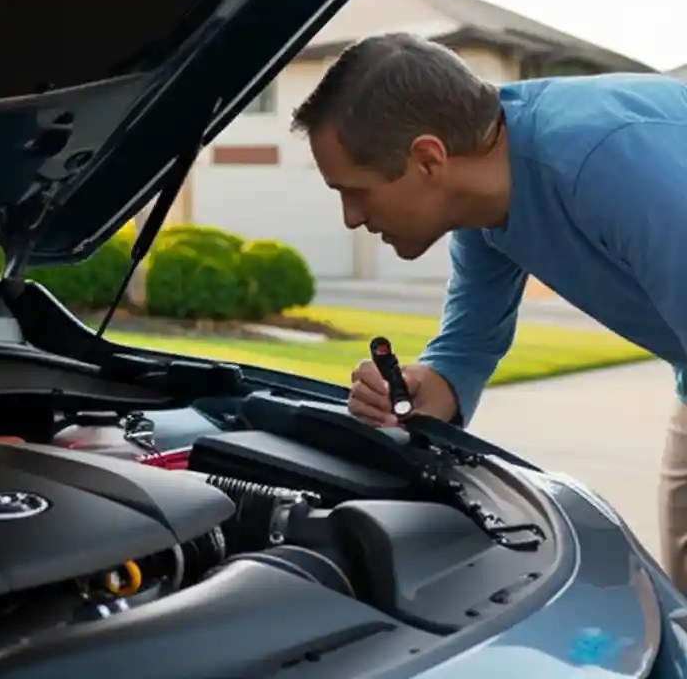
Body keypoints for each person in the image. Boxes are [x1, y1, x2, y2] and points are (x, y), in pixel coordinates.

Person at [288, 32, 687, 589]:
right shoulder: (484, 202)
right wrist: (426, 386)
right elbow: (467, 347)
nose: (352, 217)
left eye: (355, 191)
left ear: (428, 158)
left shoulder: (609, 164)